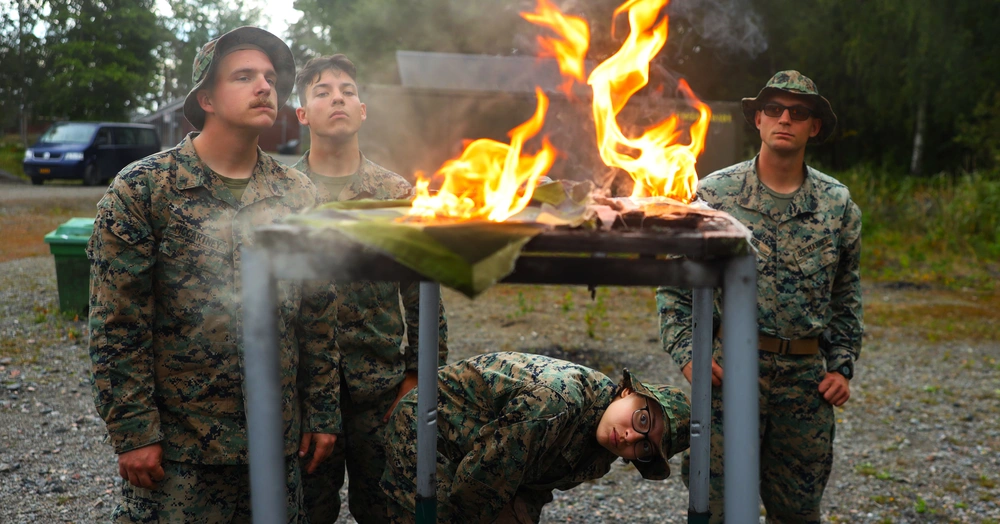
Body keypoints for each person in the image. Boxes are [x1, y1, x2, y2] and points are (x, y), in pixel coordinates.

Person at [87, 26, 339, 522]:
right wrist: (135, 431)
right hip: (182, 452)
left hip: (278, 440)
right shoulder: (144, 191)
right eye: (244, 76)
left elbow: (318, 313)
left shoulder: (299, 195)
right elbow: (118, 324)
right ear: (206, 97)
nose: (264, 86)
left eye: (269, 77)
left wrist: (323, 412)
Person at [657, 70, 863, 523]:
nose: (784, 118)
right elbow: (676, 279)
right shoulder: (715, 194)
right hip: (728, 375)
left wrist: (842, 366)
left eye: (799, 112)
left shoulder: (836, 204)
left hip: (805, 385)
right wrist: (686, 351)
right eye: (774, 109)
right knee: (712, 507)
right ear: (758, 120)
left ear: (814, 126)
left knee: (797, 512)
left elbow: (846, 291)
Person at [292, 54, 449, 523]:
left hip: (380, 390)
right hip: (301, 391)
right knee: (303, 511)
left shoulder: (394, 193)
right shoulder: (281, 192)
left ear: (363, 110)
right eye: (321, 92)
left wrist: (420, 375)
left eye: (347, 90)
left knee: (390, 511)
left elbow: (422, 292)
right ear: (302, 114)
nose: (336, 97)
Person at [379, 351, 692, 523]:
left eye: (644, 446)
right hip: (433, 429)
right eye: (641, 419)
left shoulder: (601, 447)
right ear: (627, 392)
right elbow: (477, 486)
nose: (629, 437)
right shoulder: (557, 403)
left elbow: (535, 484)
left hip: (482, 454)